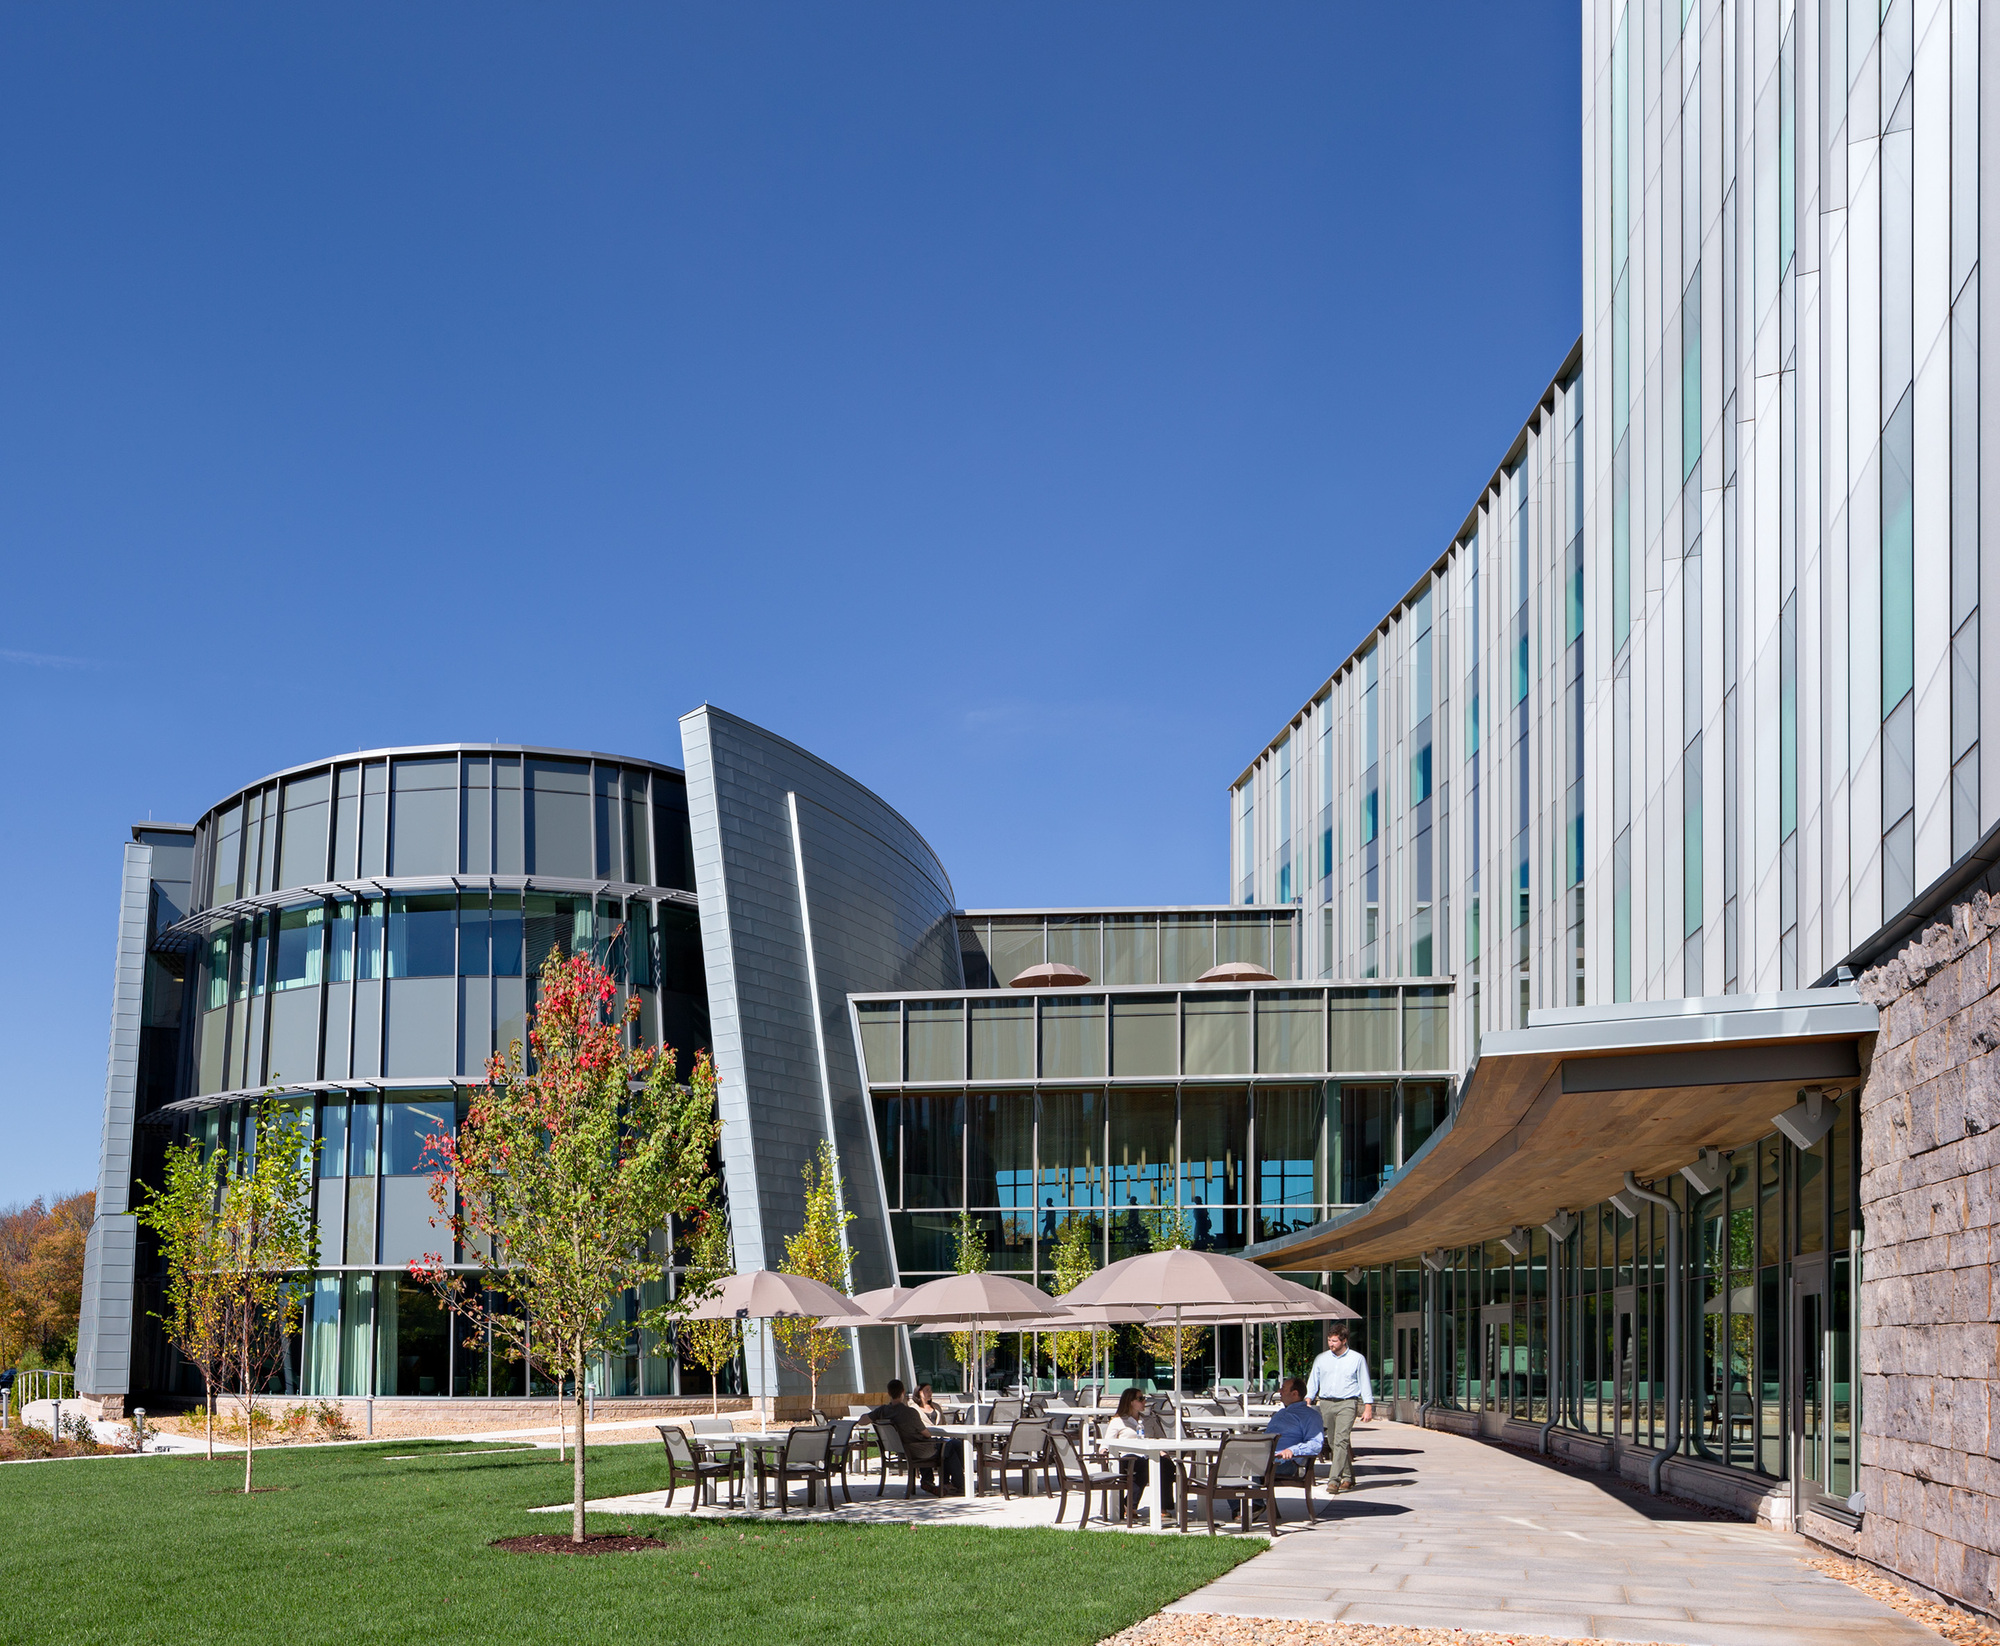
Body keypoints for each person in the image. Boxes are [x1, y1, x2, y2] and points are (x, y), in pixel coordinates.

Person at [1304, 1324, 1374, 1492]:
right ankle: (1349, 1477)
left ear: (1344, 1341)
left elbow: (1364, 1382)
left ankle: (1333, 1480)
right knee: (1334, 1442)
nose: (1331, 1344)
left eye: (1334, 1341)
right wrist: (1308, 1397)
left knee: (1341, 1440)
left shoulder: (1357, 1359)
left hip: (1347, 1403)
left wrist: (1368, 1406)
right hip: (1326, 1403)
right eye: (1329, 1340)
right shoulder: (1321, 1358)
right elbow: (1314, 1380)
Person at [867, 1379, 962, 1494]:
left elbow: (862, 1420)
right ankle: (958, 1485)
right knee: (950, 1446)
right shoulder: (910, 1412)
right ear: (903, 1392)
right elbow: (926, 1433)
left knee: (948, 1445)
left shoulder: (882, 1410)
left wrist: (873, 1417)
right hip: (917, 1450)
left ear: (888, 1393)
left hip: (900, 1450)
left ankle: (931, 1481)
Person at [1103, 1386, 1175, 1514]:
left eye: (1144, 1398)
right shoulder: (1118, 1421)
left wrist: (1163, 1452)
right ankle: (1130, 1505)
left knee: (1167, 1465)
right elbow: (1106, 1443)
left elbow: (1161, 1439)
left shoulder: (1149, 1419)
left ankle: (1163, 1506)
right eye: (1141, 1398)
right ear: (1131, 1402)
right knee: (1142, 1465)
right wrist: (1103, 1452)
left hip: (1149, 1454)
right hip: (1127, 1456)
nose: (1144, 1401)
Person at [1263, 1375, 1324, 1476]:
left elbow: (1316, 1444)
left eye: (1283, 1389)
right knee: (1233, 1461)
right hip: (1264, 1457)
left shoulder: (1310, 1416)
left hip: (1284, 1462)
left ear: (1295, 1393)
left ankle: (1252, 1491)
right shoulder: (1281, 1413)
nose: (1279, 1391)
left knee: (1246, 1468)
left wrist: (1292, 1450)